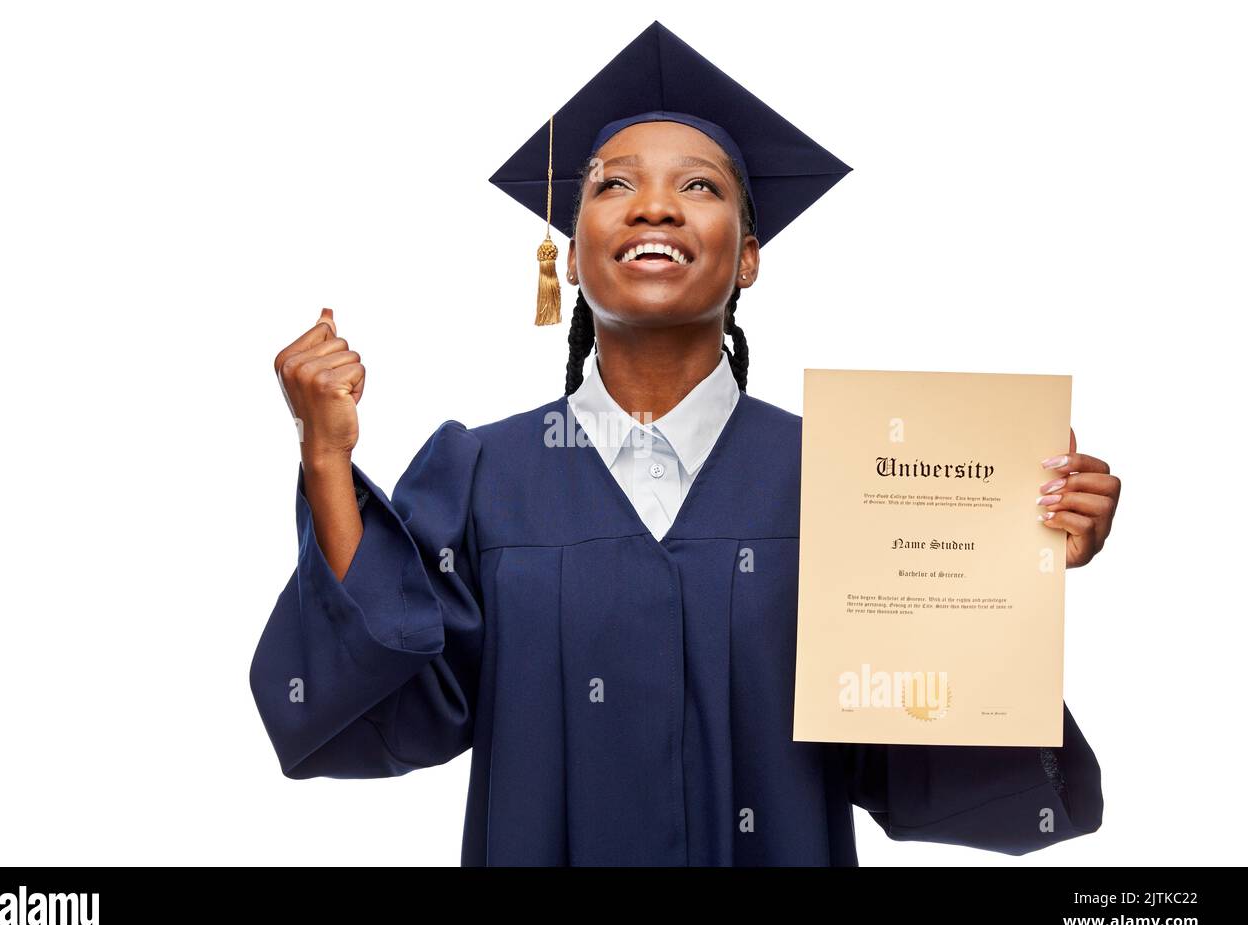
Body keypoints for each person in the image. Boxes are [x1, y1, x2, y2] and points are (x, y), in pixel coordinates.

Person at [250, 21, 1120, 866]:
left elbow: (918, 758)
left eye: (699, 186)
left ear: (747, 257)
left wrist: (1009, 569)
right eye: (613, 184)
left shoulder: (849, 479)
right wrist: (326, 461)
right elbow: (381, 717)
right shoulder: (481, 478)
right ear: (570, 250)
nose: (656, 205)